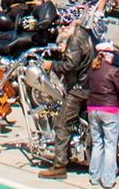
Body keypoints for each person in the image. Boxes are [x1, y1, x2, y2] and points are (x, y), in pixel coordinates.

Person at [37, 12, 96, 180]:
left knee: (62, 125)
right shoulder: (84, 33)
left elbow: (70, 64)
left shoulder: (75, 39)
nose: (63, 27)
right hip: (87, 85)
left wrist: (51, 65)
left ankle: (59, 166)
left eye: (66, 24)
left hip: (78, 89)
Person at [85, 41, 119, 188]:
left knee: (97, 143)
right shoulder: (114, 71)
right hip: (109, 109)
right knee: (110, 145)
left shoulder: (92, 70)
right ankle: (108, 180)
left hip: (93, 109)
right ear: (107, 55)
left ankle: (94, 177)